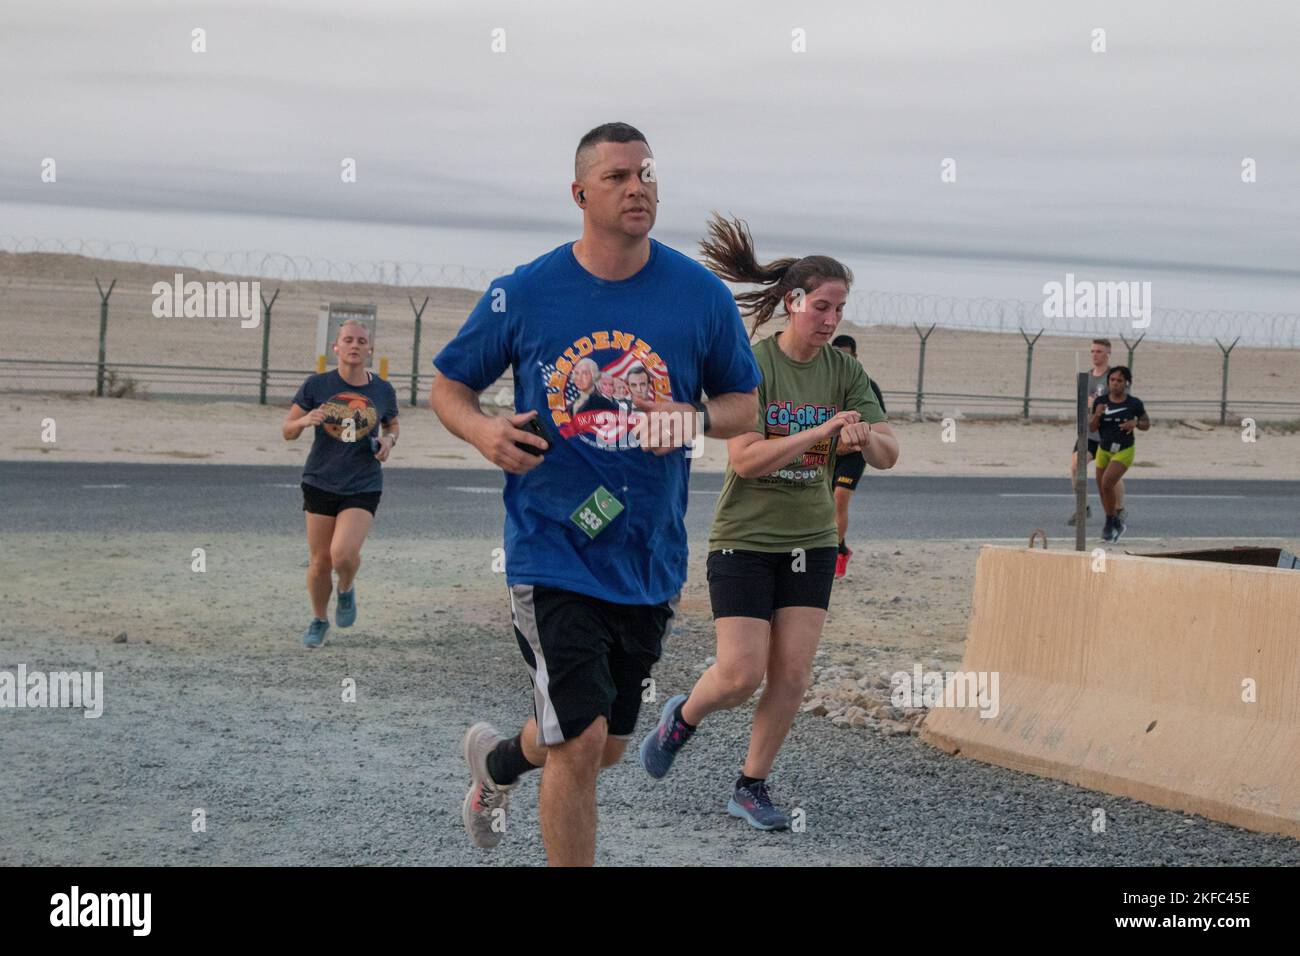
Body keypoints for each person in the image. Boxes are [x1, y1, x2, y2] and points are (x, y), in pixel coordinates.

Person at [429, 122, 761, 866]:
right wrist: (481, 432)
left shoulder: (698, 295)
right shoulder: (526, 292)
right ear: (580, 193)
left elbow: (748, 404)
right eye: (616, 176)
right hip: (551, 546)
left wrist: (695, 417)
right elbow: (449, 386)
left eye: (646, 173)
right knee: (577, 741)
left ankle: (498, 765)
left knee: (603, 744)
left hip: (647, 550)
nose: (637, 186)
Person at [638, 215, 899, 829]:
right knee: (739, 674)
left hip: (810, 539)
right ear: (793, 302)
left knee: (792, 674)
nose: (832, 320)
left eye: (841, 309)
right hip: (745, 540)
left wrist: (865, 438)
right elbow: (747, 459)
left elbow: (889, 452)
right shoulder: (753, 365)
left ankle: (750, 786)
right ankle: (683, 717)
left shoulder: (845, 373)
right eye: (824, 307)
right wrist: (821, 430)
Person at [282, 319, 398, 648]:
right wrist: (305, 419)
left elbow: (392, 426)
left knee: (342, 554)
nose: (355, 345)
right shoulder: (317, 385)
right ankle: (319, 620)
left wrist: (389, 442)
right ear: (336, 347)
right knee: (320, 560)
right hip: (320, 479)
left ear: (370, 349)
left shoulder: (382, 390)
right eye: (348, 340)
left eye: (362, 341)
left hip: (363, 482)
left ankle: (346, 589)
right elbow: (287, 431)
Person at [829, 334, 887, 577]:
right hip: (828, 452)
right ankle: (836, 547)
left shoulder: (866, 385)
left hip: (854, 452)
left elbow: (879, 425)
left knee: (840, 497)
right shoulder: (822, 383)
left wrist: (856, 442)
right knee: (823, 502)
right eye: (838, 354)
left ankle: (836, 555)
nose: (843, 359)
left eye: (847, 354)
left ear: (855, 356)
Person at [1089, 365, 1148, 542]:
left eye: (1119, 381)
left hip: (1124, 450)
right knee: (1101, 488)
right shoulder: (1101, 401)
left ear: (1126, 383)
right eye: (1112, 380)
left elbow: (1146, 423)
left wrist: (1135, 423)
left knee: (1107, 483)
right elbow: (1092, 428)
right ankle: (1114, 521)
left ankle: (1110, 522)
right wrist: (1097, 415)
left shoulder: (1134, 403)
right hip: (1104, 449)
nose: (1115, 384)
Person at [1067, 338, 1116, 526]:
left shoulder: (1114, 377)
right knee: (1075, 466)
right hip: (1089, 434)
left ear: (1107, 353)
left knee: (1109, 476)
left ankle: (1118, 510)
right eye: (1093, 351)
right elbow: (1082, 403)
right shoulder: (1086, 377)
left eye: (1099, 351)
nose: (1095, 355)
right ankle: (1083, 507)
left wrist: (1096, 404)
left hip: (1108, 434)